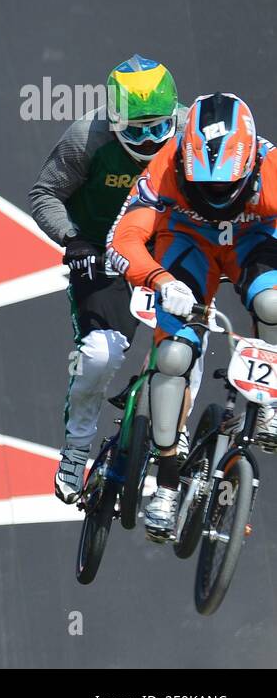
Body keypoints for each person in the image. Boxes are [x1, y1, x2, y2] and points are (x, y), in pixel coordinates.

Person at [107, 92, 276, 540]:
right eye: (203, 185)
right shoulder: (164, 164)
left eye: (225, 187)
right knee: (174, 358)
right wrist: (161, 281)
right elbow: (121, 241)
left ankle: (271, 397)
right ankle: (164, 482)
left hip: (252, 241)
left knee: (272, 304)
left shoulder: (273, 167)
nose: (215, 195)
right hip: (189, 245)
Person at [29, 54, 195, 504]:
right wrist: (74, 240)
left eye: (159, 128)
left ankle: (172, 431)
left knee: (186, 350)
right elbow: (44, 194)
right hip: (102, 256)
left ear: (176, 116)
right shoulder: (88, 136)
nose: (149, 140)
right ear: (112, 119)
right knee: (99, 354)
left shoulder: (191, 131)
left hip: (172, 253)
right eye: (136, 131)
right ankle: (77, 446)